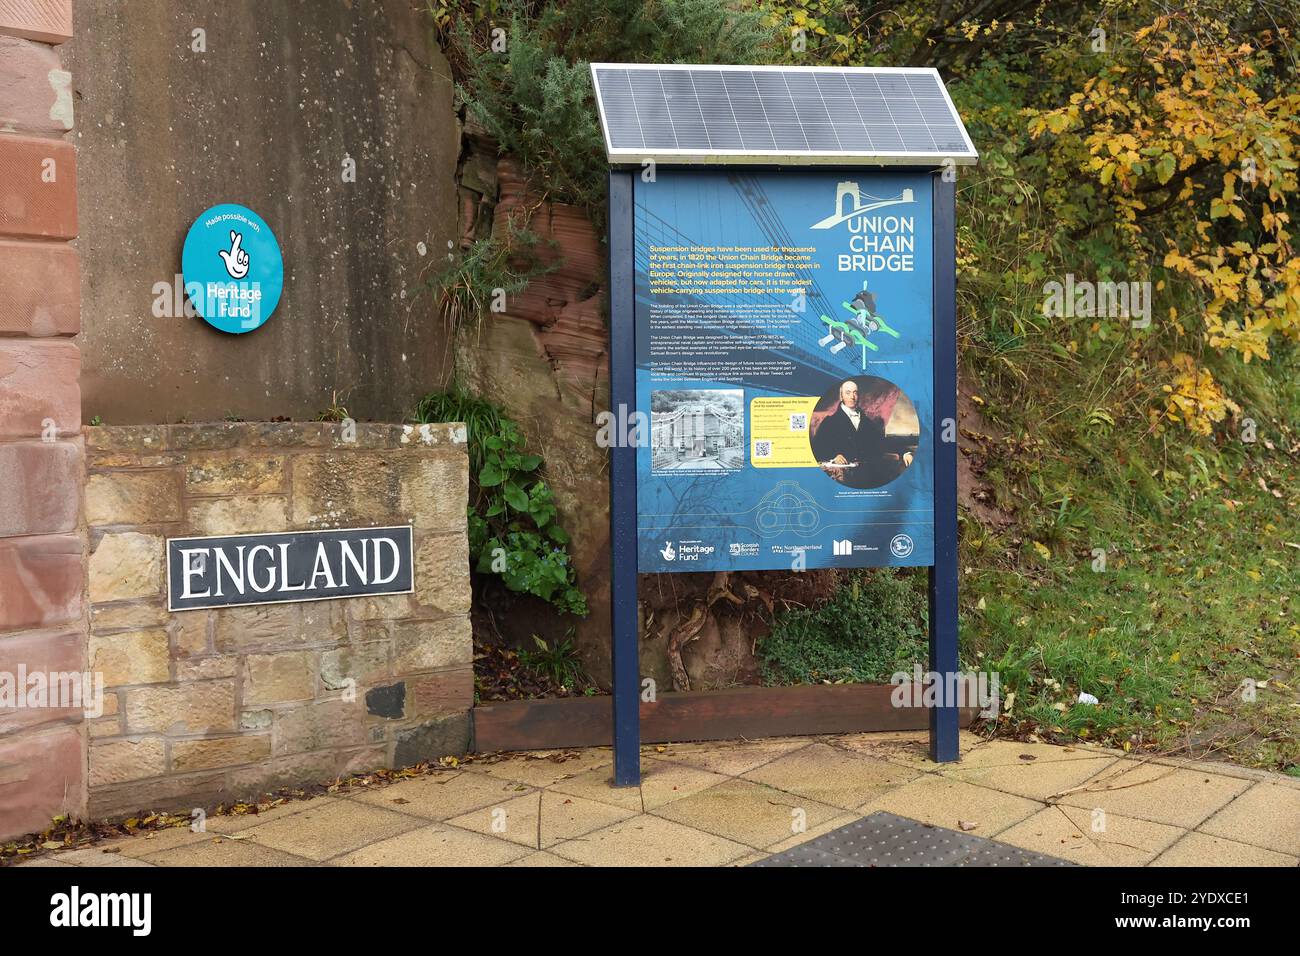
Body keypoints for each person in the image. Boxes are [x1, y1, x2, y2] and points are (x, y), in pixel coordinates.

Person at [811, 379, 913, 488]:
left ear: (858, 395)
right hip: (844, 479)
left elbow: (882, 441)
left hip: (867, 474)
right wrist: (834, 456)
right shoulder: (830, 421)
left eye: (855, 392)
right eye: (848, 393)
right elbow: (818, 448)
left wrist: (904, 452)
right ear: (841, 396)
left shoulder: (867, 421)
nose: (852, 396)